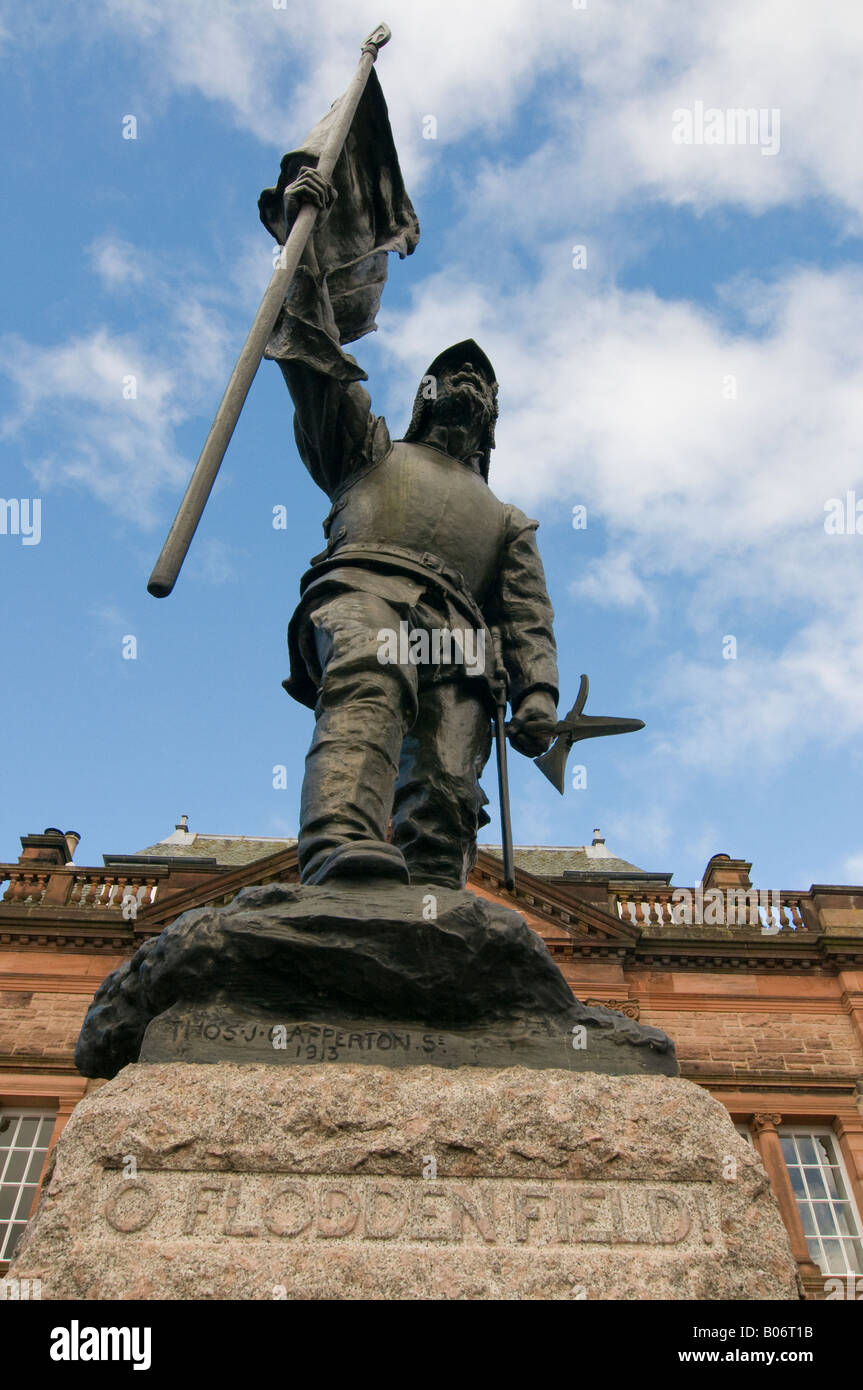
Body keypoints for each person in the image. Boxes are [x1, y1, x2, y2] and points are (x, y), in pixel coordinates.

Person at [271, 168, 560, 890]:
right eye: (449, 376)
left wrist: (537, 693)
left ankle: (436, 897)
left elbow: (525, 615)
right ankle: (338, 846)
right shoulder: (368, 450)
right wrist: (302, 248)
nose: (466, 382)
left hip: (462, 639)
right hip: (368, 587)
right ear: (421, 397)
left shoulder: (507, 519)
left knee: (447, 779)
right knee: (367, 690)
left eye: (480, 383)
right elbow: (317, 365)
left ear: (492, 415)